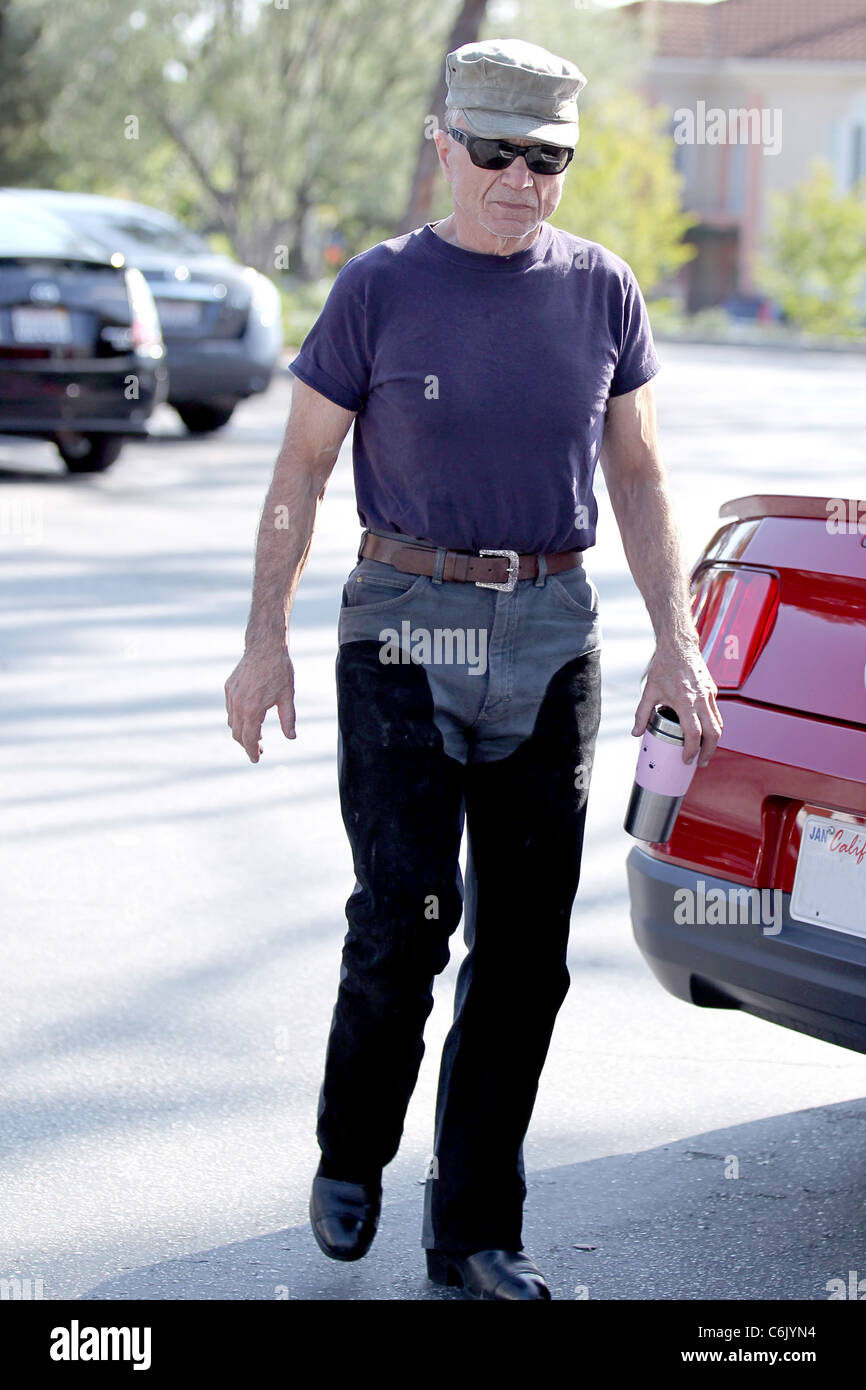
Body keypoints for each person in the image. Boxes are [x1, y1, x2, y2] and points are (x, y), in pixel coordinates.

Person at [224, 37, 722, 1301]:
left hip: (551, 630)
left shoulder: (602, 291)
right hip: (400, 619)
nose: (519, 178)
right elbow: (299, 471)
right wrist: (262, 637)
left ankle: (477, 1232)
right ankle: (353, 1148)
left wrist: (675, 639)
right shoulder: (378, 288)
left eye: (544, 156)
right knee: (403, 921)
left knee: (526, 950)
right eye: (494, 150)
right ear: (445, 141)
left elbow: (642, 476)